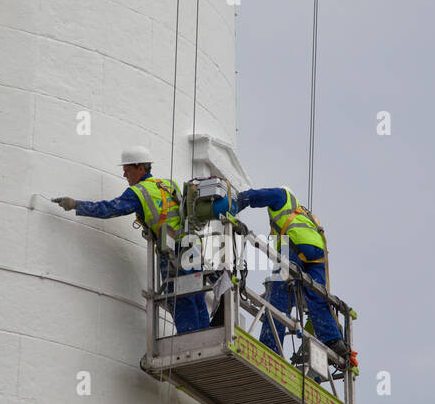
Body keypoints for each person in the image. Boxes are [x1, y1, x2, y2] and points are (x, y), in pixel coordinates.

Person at [54, 148, 210, 334]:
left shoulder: (138, 192)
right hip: (193, 246)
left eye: (127, 170)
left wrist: (76, 205)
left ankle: (190, 340)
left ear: (140, 168)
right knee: (196, 292)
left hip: (173, 251)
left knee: (178, 296)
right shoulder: (169, 184)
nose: (124, 174)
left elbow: (109, 209)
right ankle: (204, 336)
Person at [211, 186, 349, 360]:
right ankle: (333, 340)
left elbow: (257, 196)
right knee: (317, 296)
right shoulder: (305, 214)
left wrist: (236, 202)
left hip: (292, 243)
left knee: (278, 298)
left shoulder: (283, 195)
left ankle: (270, 347)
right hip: (318, 253)